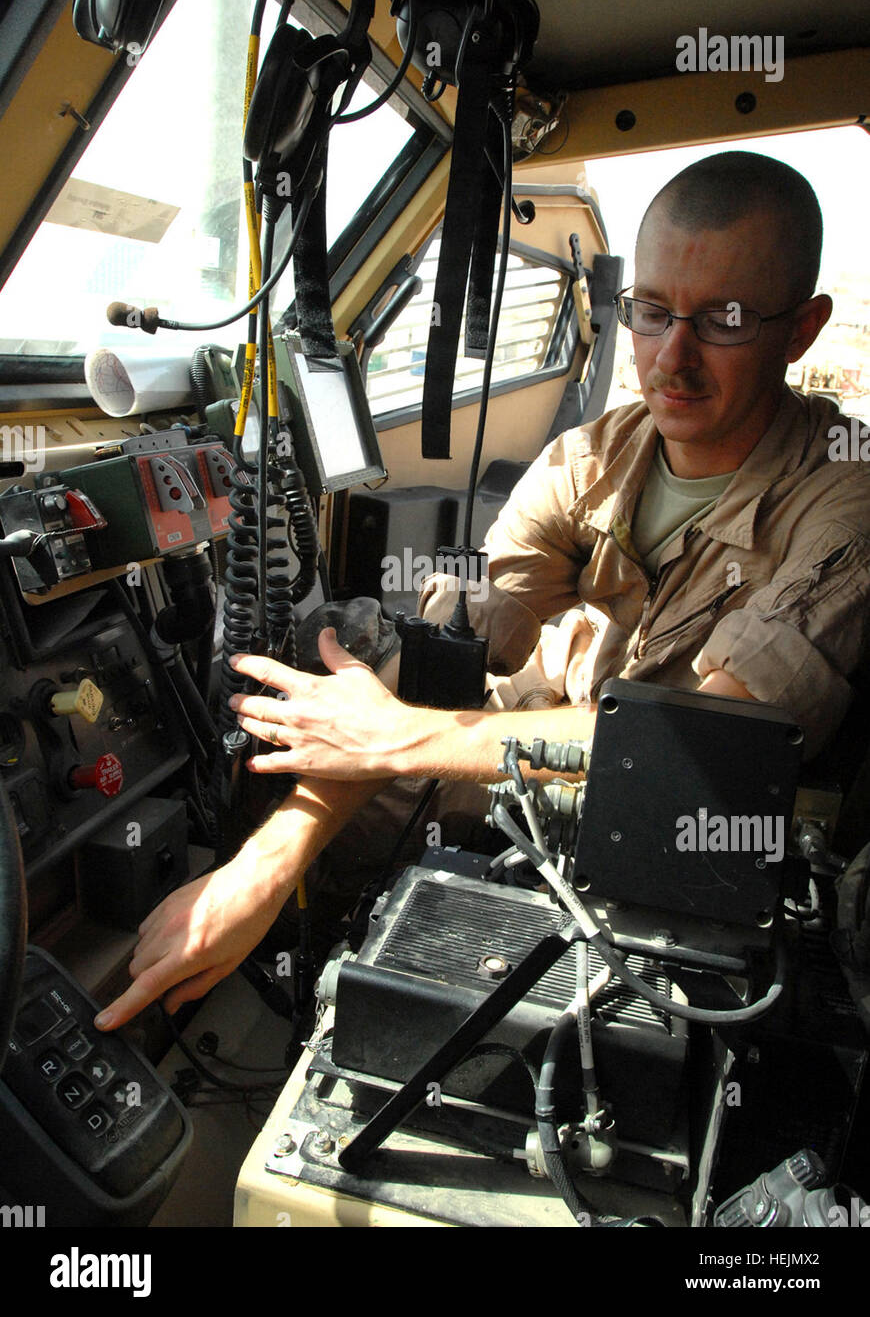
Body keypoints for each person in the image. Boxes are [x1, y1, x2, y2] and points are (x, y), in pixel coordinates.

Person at [94, 151, 870, 1033]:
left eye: (723, 322)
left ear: (802, 330)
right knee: (282, 806)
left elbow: (696, 752)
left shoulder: (845, 496)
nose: (672, 358)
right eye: (651, 313)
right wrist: (267, 864)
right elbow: (452, 661)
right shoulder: (595, 455)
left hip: (703, 835)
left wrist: (405, 741)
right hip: (545, 753)